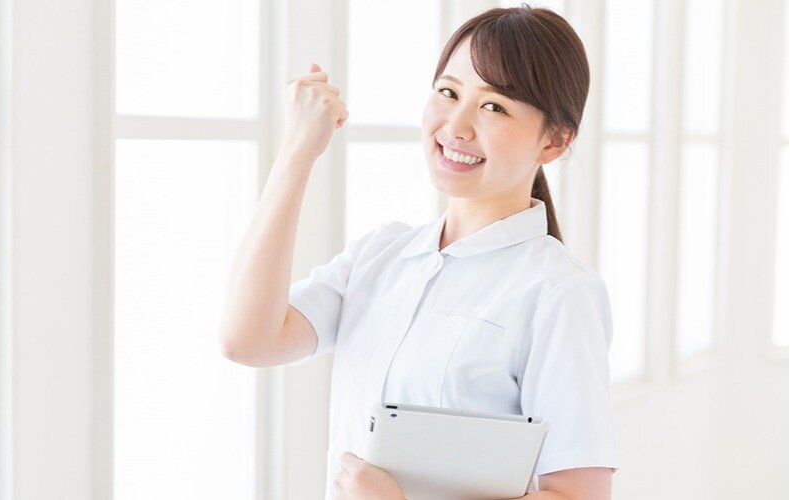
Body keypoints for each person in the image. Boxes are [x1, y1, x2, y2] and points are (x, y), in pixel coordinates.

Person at [219, 5, 619, 500]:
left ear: (554, 142)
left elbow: (579, 495)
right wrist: (298, 151)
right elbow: (248, 340)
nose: (457, 126)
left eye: (495, 107)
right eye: (448, 93)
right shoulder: (381, 255)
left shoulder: (560, 292)